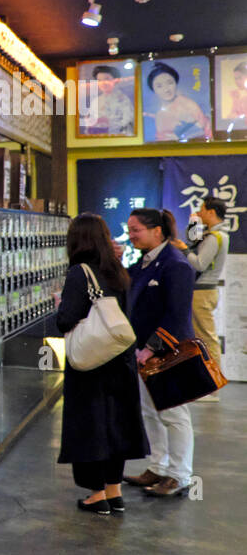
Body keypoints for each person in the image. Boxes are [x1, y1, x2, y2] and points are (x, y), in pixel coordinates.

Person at [54, 214, 147, 515]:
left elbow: (66, 319)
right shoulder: (117, 271)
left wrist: (60, 307)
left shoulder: (80, 273)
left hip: (91, 364)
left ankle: (97, 495)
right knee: (116, 424)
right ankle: (114, 491)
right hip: (120, 361)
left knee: (91, 426)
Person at [122, 207, 197, 497]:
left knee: (174, 414)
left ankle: (180, 475)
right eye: (129, 230)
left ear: (157, 231)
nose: (131, 236)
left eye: (135, 230)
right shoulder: (146, 262)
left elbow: (178, 315)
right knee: (151, 412)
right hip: (143, 353)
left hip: (168, 351)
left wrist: (152, 347)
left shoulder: (176, 264)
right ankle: (159, 466)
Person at [175, 197, 230, 381]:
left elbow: (198, 264)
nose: (200, 212)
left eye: (202, 209)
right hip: (203, 292)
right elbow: (194, 242)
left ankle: (213, 383)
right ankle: (206, 381)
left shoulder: (215, 237)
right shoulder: (212, 234)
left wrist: (183, 249)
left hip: (203, 292)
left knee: (207, 339)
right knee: (200, 337)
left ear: (211, 212)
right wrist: (193, 225)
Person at [144, 61, 211, 141]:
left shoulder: (186, 104)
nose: (166, 89)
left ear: (176, 83)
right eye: (159, 86)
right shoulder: (159, 113)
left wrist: (181, 137)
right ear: (153, 89)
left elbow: (204, 131)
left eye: (170, 83)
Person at [79, 65, 134, 136]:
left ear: (116, 80)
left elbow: (128, 123)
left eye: (107, 79)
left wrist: (107, 122)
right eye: (99, 80)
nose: (103, 83)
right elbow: (89, 126)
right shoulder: (96, 101)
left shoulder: (123, 99)